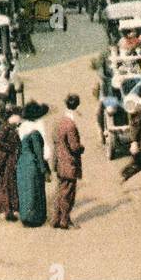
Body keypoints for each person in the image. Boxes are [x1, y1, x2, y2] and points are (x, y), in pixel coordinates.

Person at [52, 94, 85, 229]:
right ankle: (65, 221)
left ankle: (55, 219)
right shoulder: (71, 125)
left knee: (60, 191)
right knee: (68, 194)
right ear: (76, 107)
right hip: (69, 163)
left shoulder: (59, 122)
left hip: (59, 162)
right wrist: (82, 147)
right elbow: (75, 147)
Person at [16, 101, 50, 227]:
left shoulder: (21, 127)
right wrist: (44, 169)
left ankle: (25, 216)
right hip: (32, 163)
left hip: (22, 162)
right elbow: (39, 153)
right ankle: (35, 218)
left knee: (25, 190)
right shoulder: (36, 132)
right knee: (35, 190)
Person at [0, 110, 22, 220]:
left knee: (8, 186)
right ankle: (3, 211)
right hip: (4, 162)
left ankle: (7, 211)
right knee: (5, 186)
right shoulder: (7, 128)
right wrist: (10, 148)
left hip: (8, 162)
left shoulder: (9, 127)